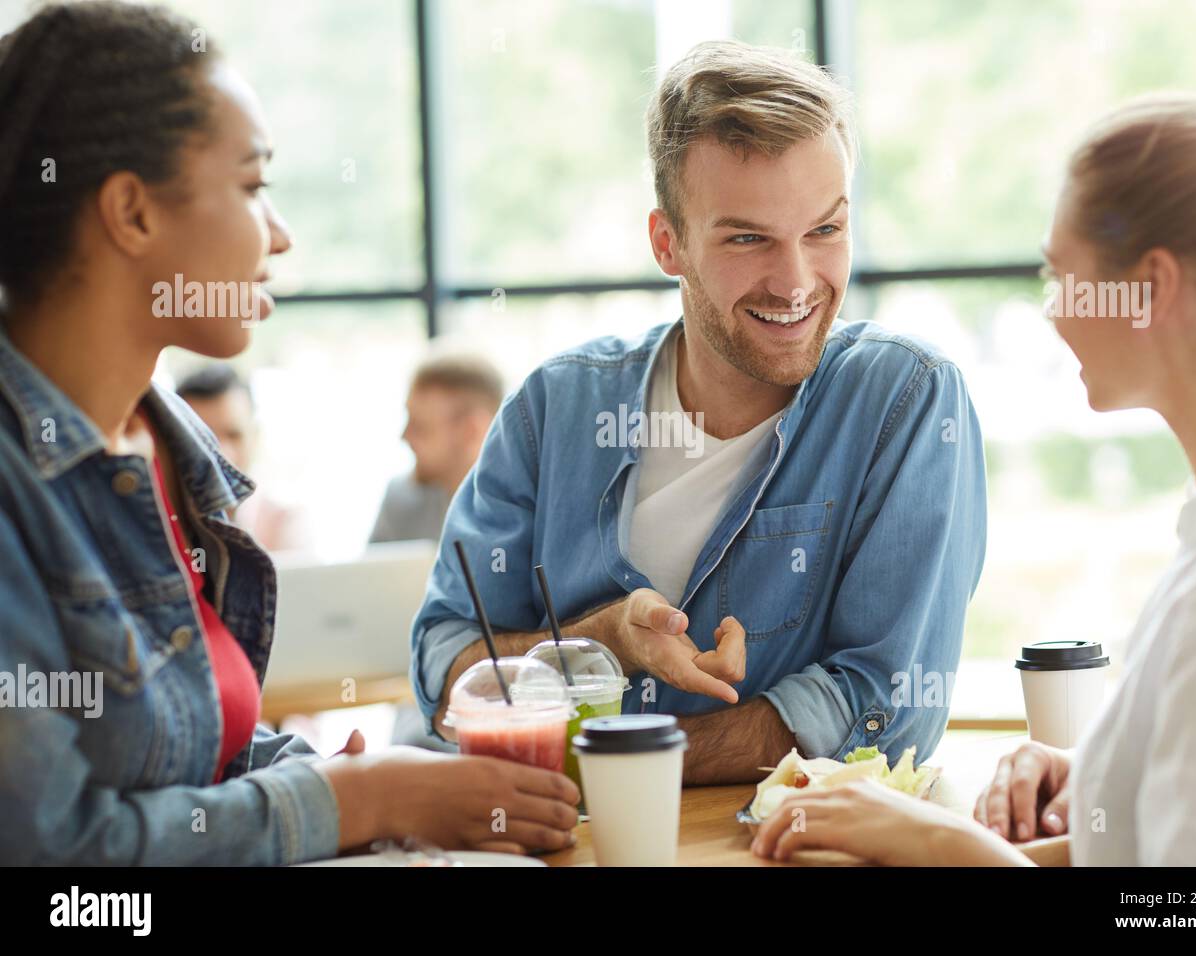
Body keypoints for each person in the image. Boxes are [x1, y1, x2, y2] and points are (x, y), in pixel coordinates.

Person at [0, 0, 577, 865]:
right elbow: (56, 867)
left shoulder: (172, 461)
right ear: (133, 212)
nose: (279, 233)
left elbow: (193, 761)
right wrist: (357, 797)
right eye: (252, 184)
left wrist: (358, 782)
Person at [410, 40, 988, 783]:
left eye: (825, 230)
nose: (796, 282)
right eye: (748, 238)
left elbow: (887, 705)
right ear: (668, 242)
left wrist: (621, 767)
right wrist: (603, 640)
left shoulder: (905, 402)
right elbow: (448, 668)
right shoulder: (555, 408)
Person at [751, 93, 1196, 866]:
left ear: (1151, 287)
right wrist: (1112, 781)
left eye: (1060, 273)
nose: (1050, 312)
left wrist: (938, 841)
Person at [369, 352, 503, 545]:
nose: (405, 436)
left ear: (471, 431)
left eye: (420, 427)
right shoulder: (399, 499)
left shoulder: (526, 514)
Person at [176, 362, 307, 552]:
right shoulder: (161, 528)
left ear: (255, 437)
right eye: (203, 439)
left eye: (233, 435)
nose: (221, 454)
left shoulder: (286, 524)